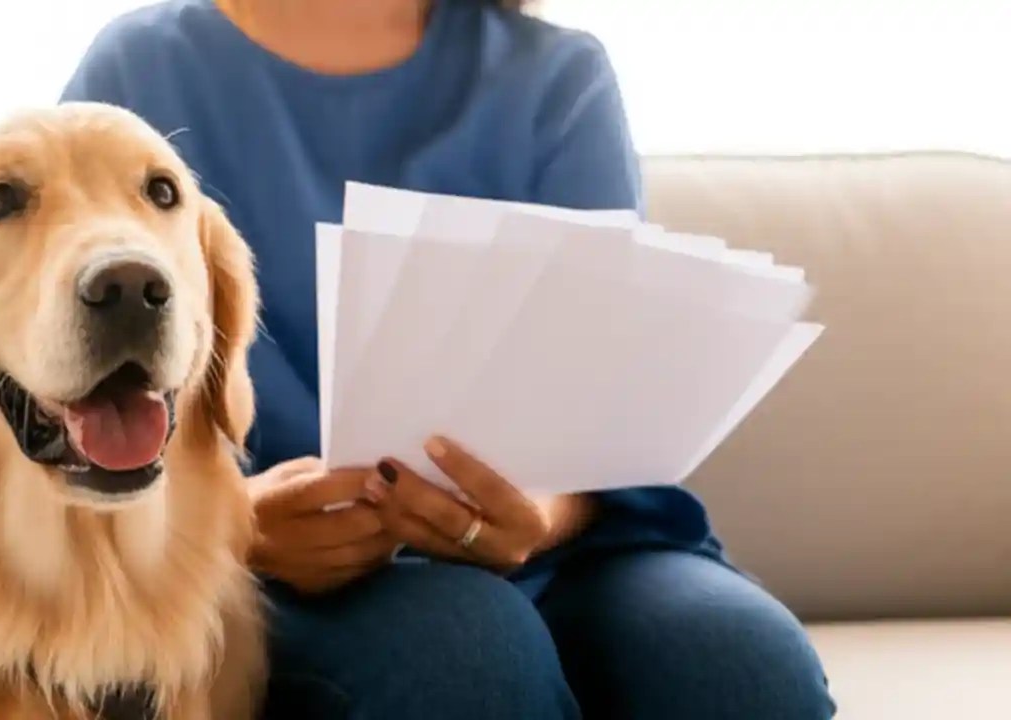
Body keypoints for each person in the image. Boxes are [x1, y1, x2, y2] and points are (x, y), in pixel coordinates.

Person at [60, 1, 836, 718]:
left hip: (573, 552)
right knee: (466, 653)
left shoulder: (558, 76)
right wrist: (231, 527)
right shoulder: (140, 68)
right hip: (276, 570)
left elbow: (600, 385)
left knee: (745, 667)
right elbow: (62, 372)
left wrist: (540, 513)